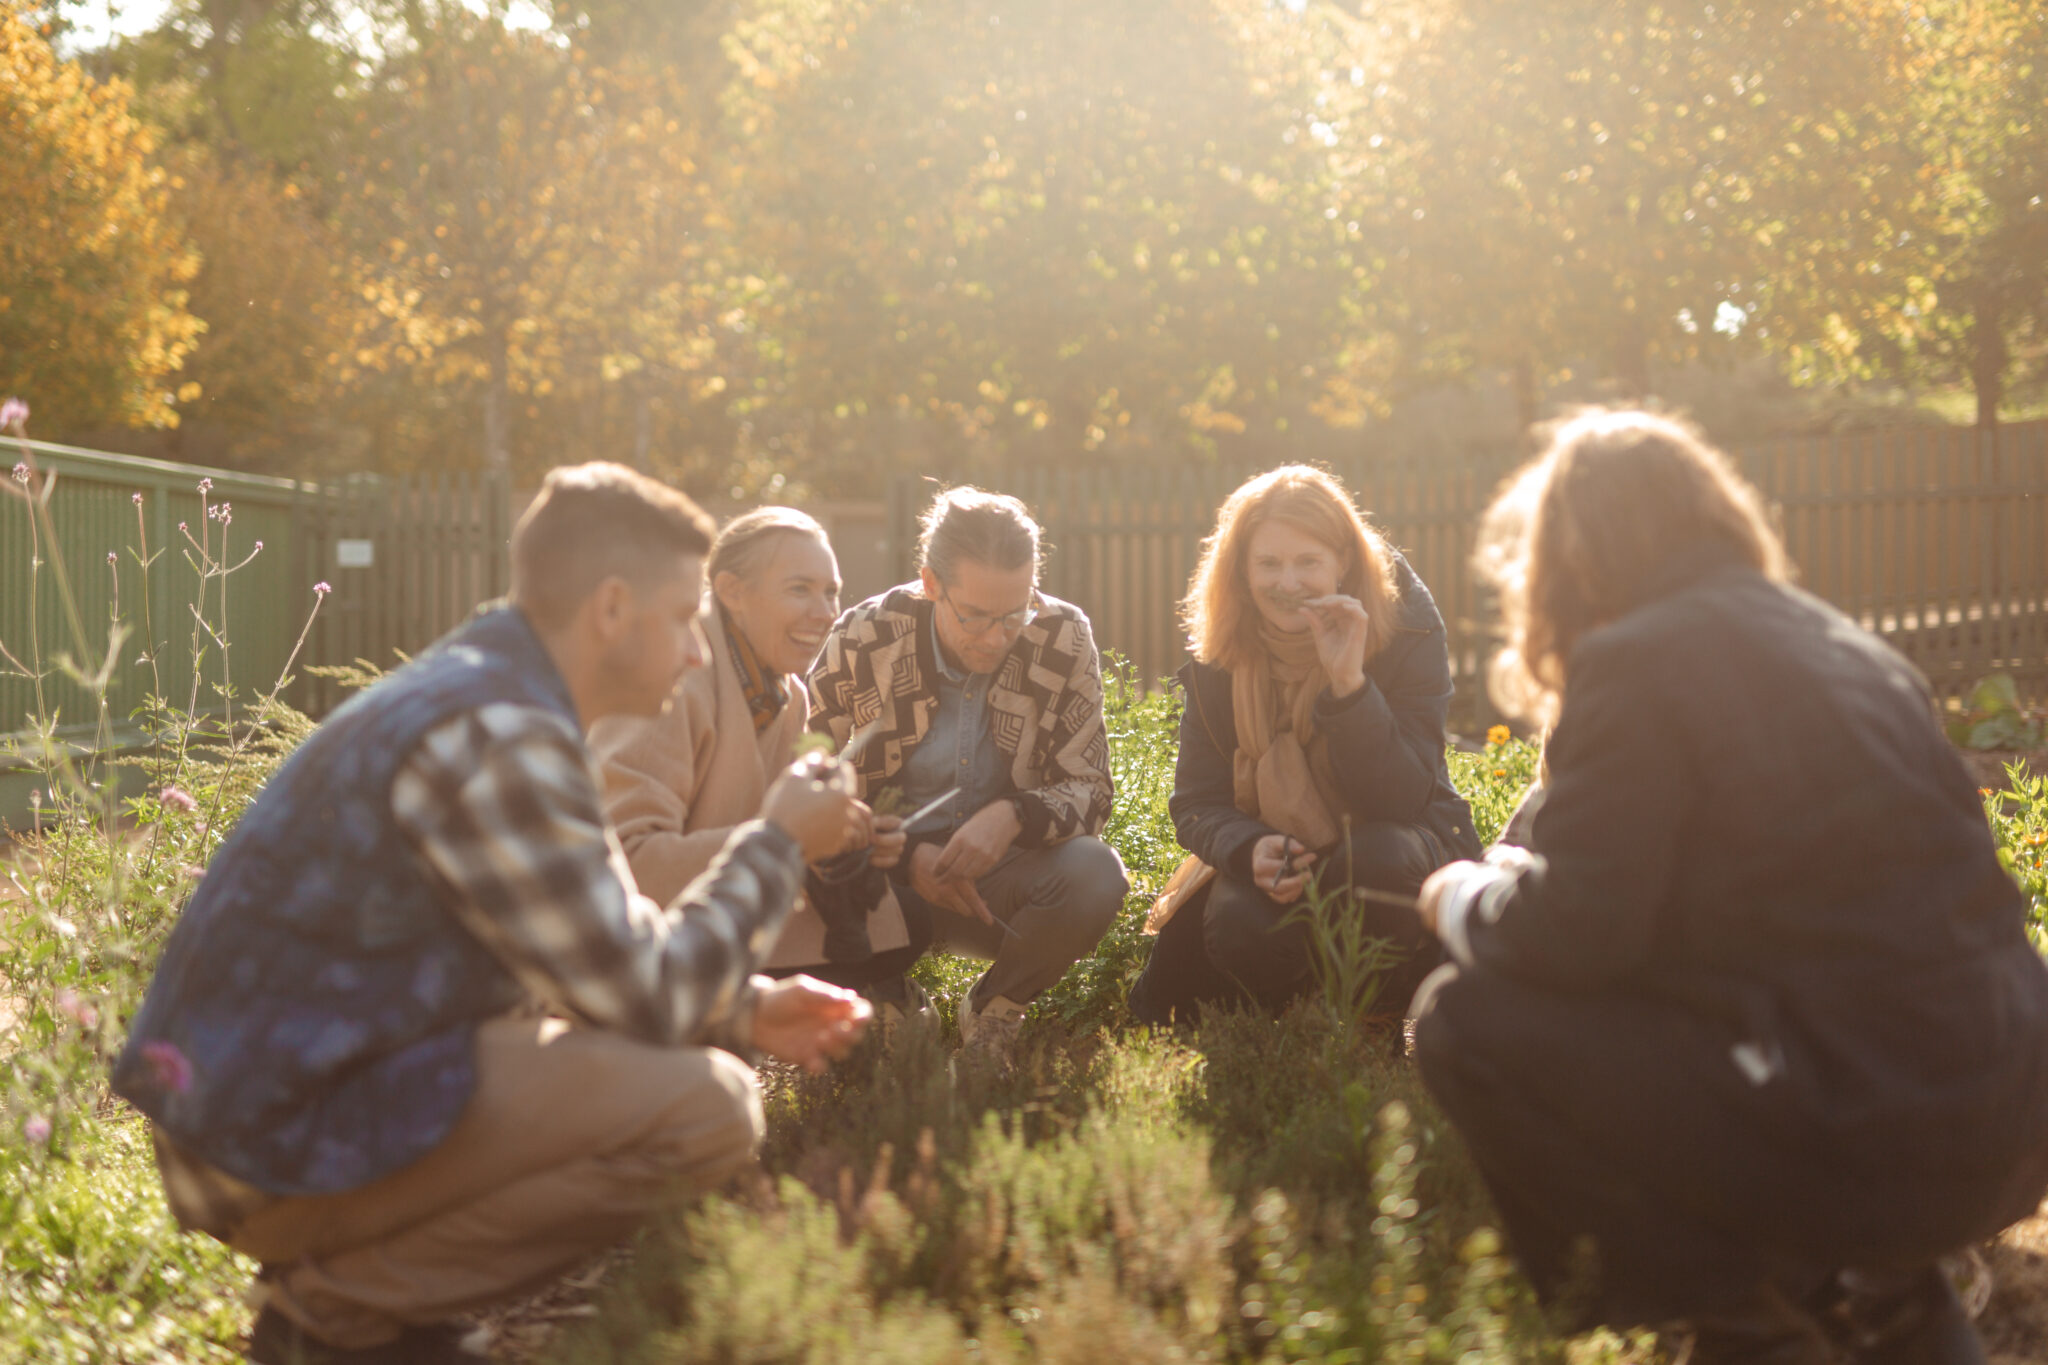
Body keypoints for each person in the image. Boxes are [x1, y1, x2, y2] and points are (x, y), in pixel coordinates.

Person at [112, 464, 875, 1365]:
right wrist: (778, 841)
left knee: (670, 1066)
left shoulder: (482, 696)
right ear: (611, 608)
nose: (699, 651)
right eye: (683, 618)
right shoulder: (505, 733)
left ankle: (369, 1307)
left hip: (254, 1105)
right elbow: (645, 998)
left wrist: (743, 1005)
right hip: (259, 1139)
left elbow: (591, 952)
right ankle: (338, 1315)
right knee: (706, 1108)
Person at [1410, 411, 2048, 1364]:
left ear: (1566, 555)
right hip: (2008, 1105)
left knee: (1466, 1018)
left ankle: (1750, 1317)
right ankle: (1891, 1298)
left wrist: (1460, 893)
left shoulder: (1634, 660)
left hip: (1870, 1118)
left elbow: (1584, 935)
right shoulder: (1846, 645)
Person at [1127, 464, 1479, 1026]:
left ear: (1342, 560)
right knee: (1239, 917)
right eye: (1268, 563)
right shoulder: (1222, 639)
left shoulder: (1403, 624)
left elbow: (1406, 797)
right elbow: (1196, 801)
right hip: (1278, 848)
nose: (1286, 583)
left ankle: (1379, 1015)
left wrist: (1349, 686)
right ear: (1242, 570)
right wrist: (1247, 848)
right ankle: (1284, 1025)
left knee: (1378, 863)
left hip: (1392, 839)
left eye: (1307, 562)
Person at [806, 486, 1128, 1061]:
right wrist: (903, 856)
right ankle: (889, 999)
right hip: (880, 881)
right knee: (810, 862)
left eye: (1015, 613)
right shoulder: (864, 636)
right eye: (975, 616)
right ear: (931, 586)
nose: (997, 637)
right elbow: (803, 783)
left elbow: (1092, 788)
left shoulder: (1062, 637)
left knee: (1095, 873)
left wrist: (1014, 816)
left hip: (998, 883)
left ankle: (994, 1010)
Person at [592, 507, 913, 977]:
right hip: (633, 942)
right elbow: (627, 864)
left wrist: (844, 839)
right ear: (731, 591)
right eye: (799, 589)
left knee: (903, 923)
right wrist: (792, 838)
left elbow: (779, 822)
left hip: (716, 906)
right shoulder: (669, 678)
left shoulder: (786, 690)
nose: (825, 614)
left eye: (831, 592)